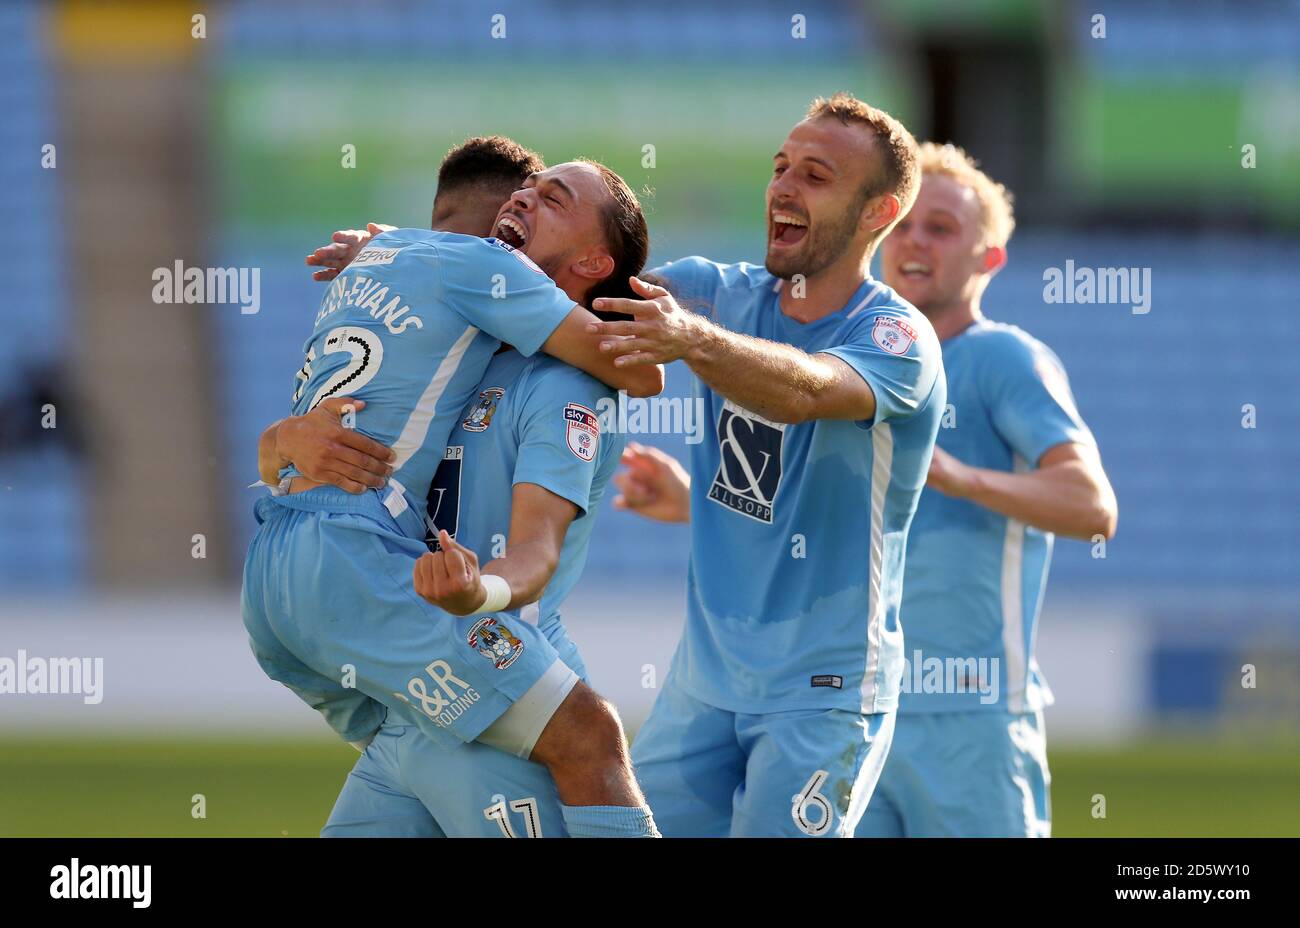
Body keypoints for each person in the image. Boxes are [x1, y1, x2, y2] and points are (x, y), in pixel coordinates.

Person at [243, 138, 661, 837]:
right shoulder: (471, 342)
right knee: (588, 734)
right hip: (430, 650)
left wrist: (481, 591)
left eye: (552, 197)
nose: (524, 199)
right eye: (522, 194)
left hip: (449, 657)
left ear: (592, 263)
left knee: (586, 733)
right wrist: (279, 440)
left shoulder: (561, 383)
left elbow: (537, 546)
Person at [589, 93, 946, 836]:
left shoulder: (897, 337)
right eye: (780, 167)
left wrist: (692, 340)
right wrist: (411, 262)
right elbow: (578, 285)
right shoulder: (719, 294)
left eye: (815, 175)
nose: (782, 187)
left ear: (877, 214)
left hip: (825, 690)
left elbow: (805, 389)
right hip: (705, 681)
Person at [850, 142, 1117, 837]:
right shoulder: (853, 367)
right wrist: (684, 499)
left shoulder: (1003, 358)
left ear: (987, 258)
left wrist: (958, 476)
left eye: (940, 227)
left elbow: (1093, 506)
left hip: (970, 717)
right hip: (855, 711)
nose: (914, 240)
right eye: (903, 223)